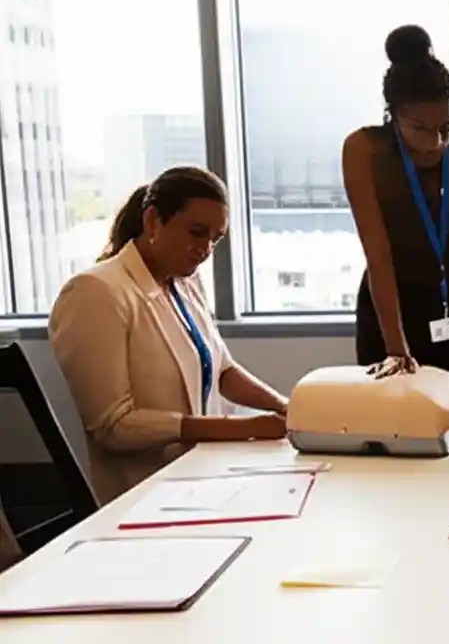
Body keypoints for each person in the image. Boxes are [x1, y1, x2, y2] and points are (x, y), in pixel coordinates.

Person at [48, 168, 289, 504]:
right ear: (152, 221)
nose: (205, 249)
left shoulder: (185, 283)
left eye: (215, 239)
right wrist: (243, 428)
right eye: (196, 232)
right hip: (143, 493)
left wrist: (286, 408)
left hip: (201, 475)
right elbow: (113, 427)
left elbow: (223, 372)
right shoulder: (96, 292)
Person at [344, 24, 449, 383]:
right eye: (419, 128)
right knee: (397, 423)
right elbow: (378, 255)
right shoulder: (365, 150)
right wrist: (397, 351)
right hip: (390, 315)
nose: (435, 142)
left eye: (446, 127)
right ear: (393, 116)